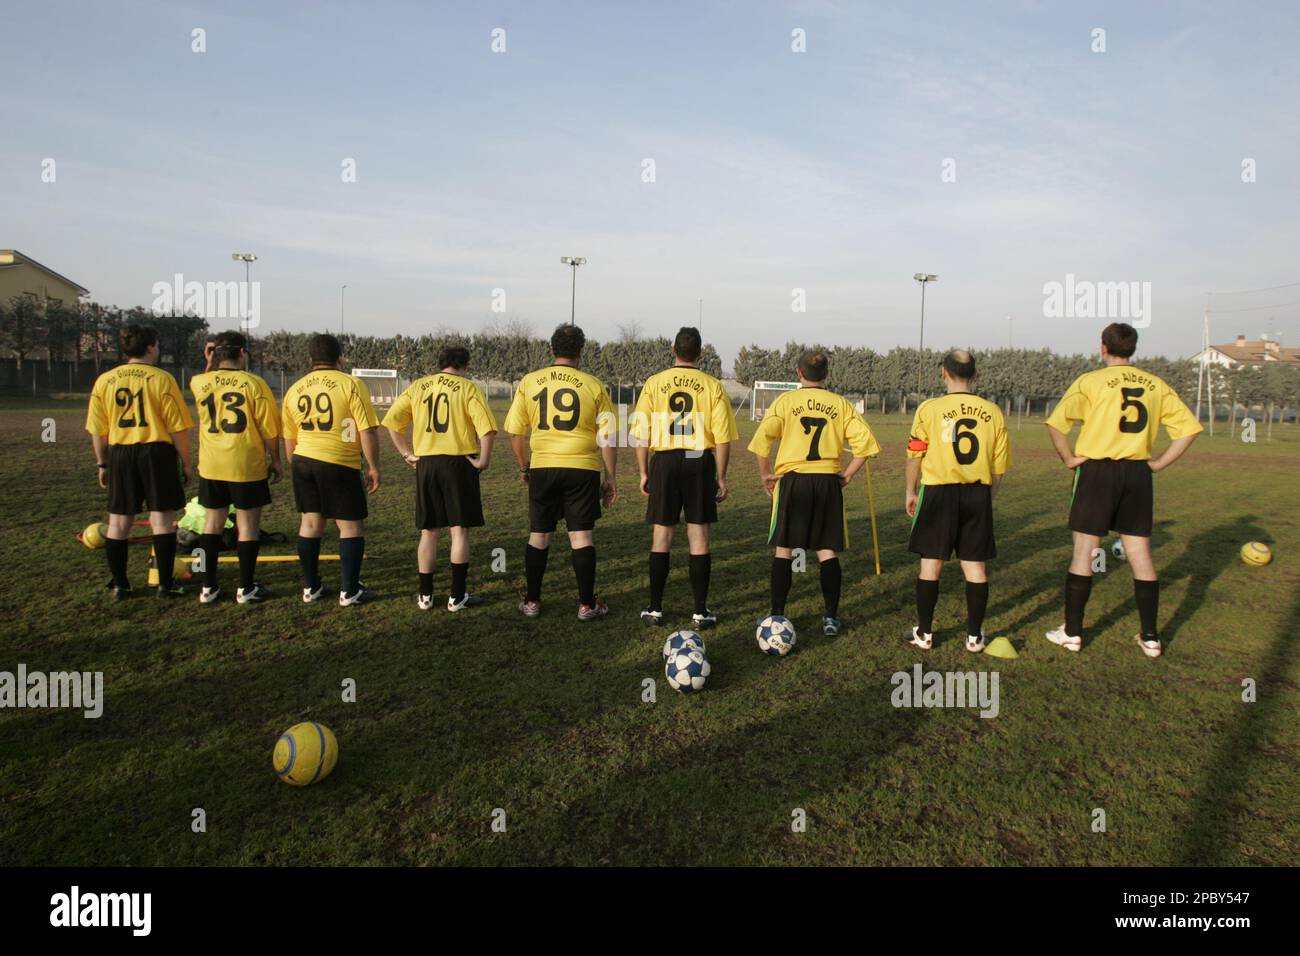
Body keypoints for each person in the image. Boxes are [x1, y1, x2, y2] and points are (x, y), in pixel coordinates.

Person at [1043, 322, 1202, 657]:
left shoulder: (1090, 381)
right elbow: (1188, 430)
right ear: (1133, 348)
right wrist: (1158, 464)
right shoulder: (1155, 384)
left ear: (1103, 347)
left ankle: (1072, 633)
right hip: (1137, 474)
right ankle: (1151, 638)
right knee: (1140, 554)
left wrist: (1069, 458)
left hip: (1097, 472)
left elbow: (1056, 424)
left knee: (1084, 553)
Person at [748, 350, 880, 636]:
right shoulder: (840, 404)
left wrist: (765, 474)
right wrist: (847, 474)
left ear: (798, 373)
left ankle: (777, 615)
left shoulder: (786, 402)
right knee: (826, 550)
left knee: (785, 549)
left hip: (793, 481)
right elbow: (866, 446)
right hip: (826, 481)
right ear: (827, 375)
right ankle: (830, 618)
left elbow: (762, 441)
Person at [504, 324, 617, 620]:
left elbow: (515, 434)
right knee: (581, 537)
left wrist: (524, 466)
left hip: (544, 466)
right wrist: (610, 477)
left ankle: (532, 601)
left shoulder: (530, 381)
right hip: (582, 468)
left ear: (552, 349)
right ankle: (587, 605)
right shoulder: (594, 385)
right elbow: (607, 437)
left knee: (539, 535)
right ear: (581, 352)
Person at [630, 326, 738, 628]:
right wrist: (721, 476)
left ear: (673, 350)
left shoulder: (654, 383)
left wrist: (644, 472)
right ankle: (700, 612)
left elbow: (640, 434)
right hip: (697, 458)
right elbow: (723, 439)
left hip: (664, 460)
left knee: (662, 535)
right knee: (699, 536)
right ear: (700, 353)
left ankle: (655, 608)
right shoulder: (713, 386)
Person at [904, 349, 1010, 652]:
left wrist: (911, 491)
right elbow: (998, 469)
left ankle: (925, 633)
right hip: (977, 492)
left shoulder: (929, 409)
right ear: (975, 375)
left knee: (931, 563)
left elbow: (915, 454)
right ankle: (974, 637)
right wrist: (986, 498)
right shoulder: (993, 412)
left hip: (938, 492)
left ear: (944, 372)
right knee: (975, 567)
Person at [383, 344, 498, 611]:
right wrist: (483, 460)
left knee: (429, 531)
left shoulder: (418, 386)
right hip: (458, 462)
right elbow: (487, 429)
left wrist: (406, 453)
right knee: (459, 531)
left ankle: (425, 596)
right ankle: (457, 596)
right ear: (465, 365)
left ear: (441, 363)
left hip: (427, 463)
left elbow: (392, 422)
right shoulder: (468, 388)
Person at [86, 324, 194, 599]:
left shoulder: (105, 380)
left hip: (120, 453)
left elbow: (98, 430)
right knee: (162, 519)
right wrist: (186, 463)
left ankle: (120, 585)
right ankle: (165, 585)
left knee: (118, 522)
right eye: (156, 345)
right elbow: (177, 428)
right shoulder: (162, 379)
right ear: (149, 348)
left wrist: (102, 463)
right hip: (156, 452)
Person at [281, 333, 381, 606]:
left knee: (310, 524)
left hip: (303, 460)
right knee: (350, 526)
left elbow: (289, 436)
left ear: (310, 359)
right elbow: (367, 430)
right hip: (339, 461)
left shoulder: (295, 389)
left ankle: (311, 587)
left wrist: (296, 465)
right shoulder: (351, 384)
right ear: (340, 357)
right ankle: (349, 591)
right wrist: (374, 466)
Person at [189, 330, 283, 604]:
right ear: (242, 352)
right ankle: (245, 587)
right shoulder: (255, 384)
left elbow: (206, 383)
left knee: (212, 525)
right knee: (248, 526)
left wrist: (209, 363)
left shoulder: (199, 381)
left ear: (214, 353)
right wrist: (276, 460)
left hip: (211, 465)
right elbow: (269, 430)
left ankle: (208, 587)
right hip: (245, 463)